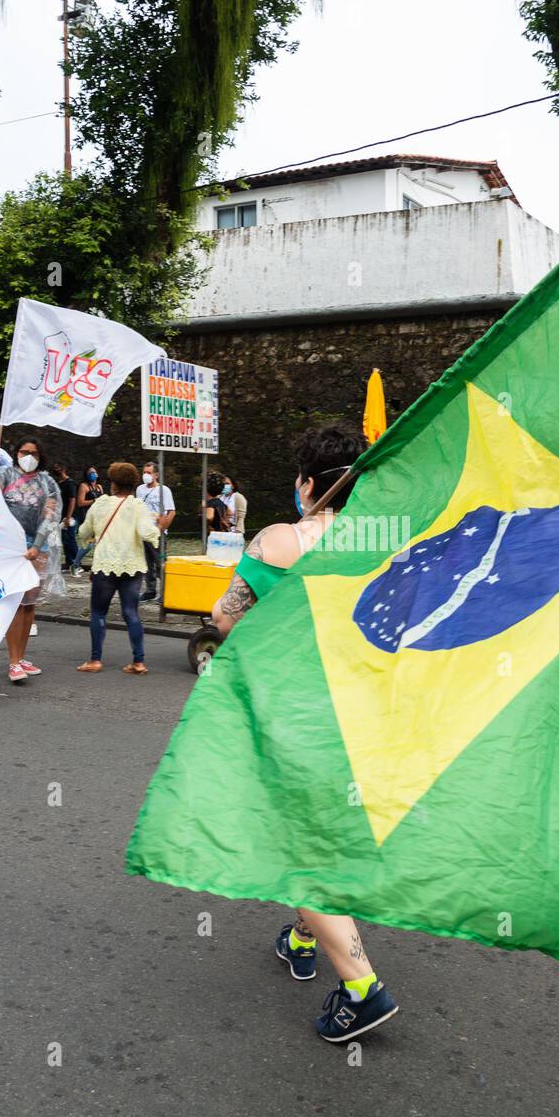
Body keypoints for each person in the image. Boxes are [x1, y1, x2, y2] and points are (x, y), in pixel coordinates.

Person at [210, 423, 399, 1044]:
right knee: (325, 833)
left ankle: (361, 988)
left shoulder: (281, 540)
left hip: (300, 715)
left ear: (311, 484)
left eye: (300, 479)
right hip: (370, 715)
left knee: (303, 853)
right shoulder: (386, 544)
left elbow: (227, 616)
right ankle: (300, 937)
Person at [76, 462, 160, 675]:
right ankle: (138, 662)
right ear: (132, 485)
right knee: (131, 613)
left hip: (105, 565)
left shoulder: (100, 504)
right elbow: (148, 533)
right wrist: (157, 529)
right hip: (132, 567)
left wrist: (88, 536)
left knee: (98, 612)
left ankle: (95, 660)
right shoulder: (138, 506)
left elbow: (84, 531)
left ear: (113, 484)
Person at [0, 439, 61, 684]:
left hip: (35, 548)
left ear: (41, 456)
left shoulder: (47, 482)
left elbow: (50, 514)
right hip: (9, 546)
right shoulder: (4, 475)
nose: (28, 456)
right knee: (15, 603)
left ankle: (21, 657)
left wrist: (37, 545)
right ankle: (12, 661)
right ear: (16, 453)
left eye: (33, 453)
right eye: (24, 452)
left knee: (29, 604)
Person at [137, 461, 175, 602]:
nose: (146, 475)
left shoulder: (164, 490)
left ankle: (165, 592)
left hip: (157, 533)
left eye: (149, 473)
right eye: (144, 472)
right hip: (143, 532)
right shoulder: (140, 489)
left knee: (160, 563)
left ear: (156, 475)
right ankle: (150, 590)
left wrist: (162, 529)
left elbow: (171, 511)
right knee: (146, 564)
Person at [72, 466, 105, 576]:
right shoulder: (84, 486)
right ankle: (75, 565)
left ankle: (99, 567)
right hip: (87, 517)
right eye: (90, 472)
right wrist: (94, 500)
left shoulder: (99, 487)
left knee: (101, 542)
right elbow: (80, 502)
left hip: (99, 518)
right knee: (89, 544)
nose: (93, 474)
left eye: (94, 472)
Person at [52, 463, 77, 570]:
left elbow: (72, 500)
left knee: (70, 539)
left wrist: (68, 516)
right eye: (54, 468)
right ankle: (69, 561)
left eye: (58, 467)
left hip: (68, 516)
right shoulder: (58, 483)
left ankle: (76, 561)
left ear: (64, 468)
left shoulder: (70, 483)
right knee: (64, 540)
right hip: (59, 515)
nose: (56, 469)